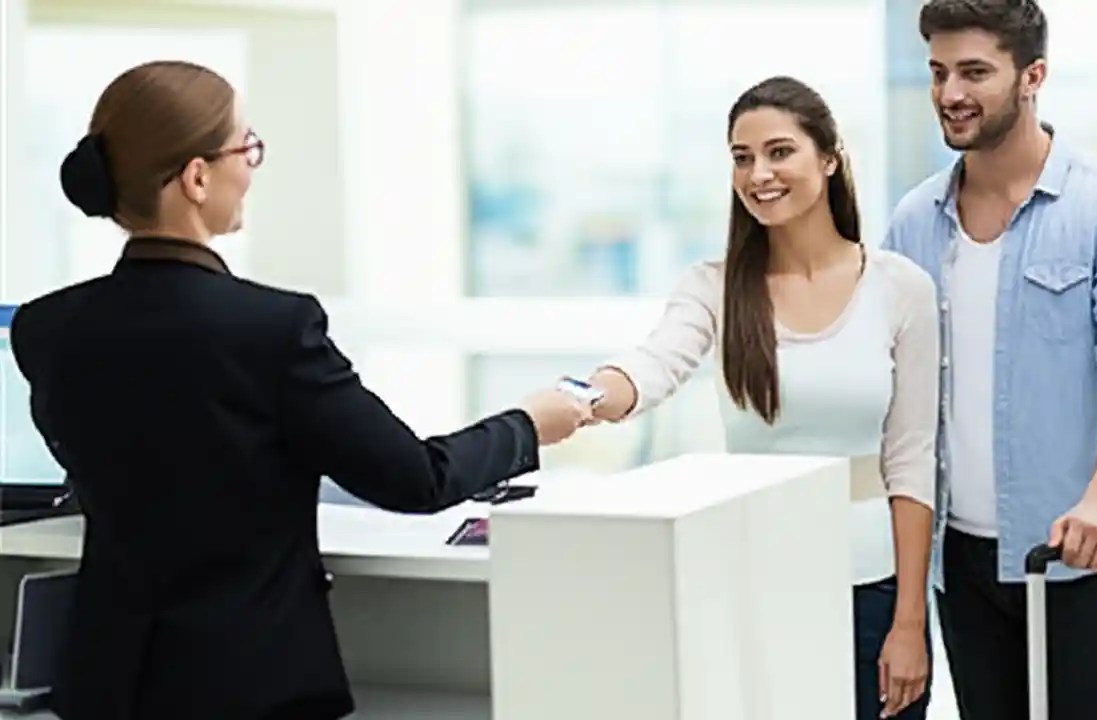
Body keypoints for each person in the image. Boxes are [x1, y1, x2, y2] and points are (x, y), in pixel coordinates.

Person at [9, 60, 591, 720]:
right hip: (250, 689)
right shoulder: (272, 329)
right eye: (245, 146)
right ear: (197, 177)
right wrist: (529, 424)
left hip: (106, 686)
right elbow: (415, 479)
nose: (251, 167)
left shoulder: (45, 328)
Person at [582, 76, 939, 719]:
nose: (758, 174)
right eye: (742, 158)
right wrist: (585, 397)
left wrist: (910, 621)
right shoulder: (714, 286)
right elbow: (657, 362)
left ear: (829, 159)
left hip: (873, 594)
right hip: (752, 588)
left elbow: (911, 463)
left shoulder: (899, 288)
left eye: (779, 152)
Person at [882, 2, 1097, 718]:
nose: (951, 92)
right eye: (939, 72)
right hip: (964, 569)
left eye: (975, 72)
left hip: (1084, 558)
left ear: (1032, 76)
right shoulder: (914, 222)